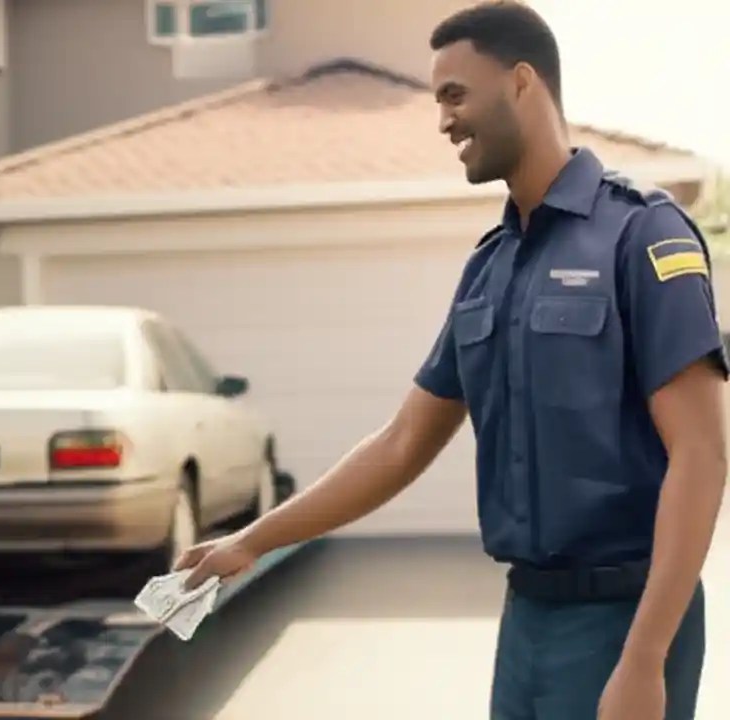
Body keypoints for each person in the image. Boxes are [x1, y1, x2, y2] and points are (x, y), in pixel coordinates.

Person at [176, 3, 727, 718]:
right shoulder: (490, 269)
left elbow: (703, 453)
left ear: (522, 82)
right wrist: (250, 542)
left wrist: (647, 656)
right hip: (526, 619)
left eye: (455, 94)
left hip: (626, 618)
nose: (443, 120)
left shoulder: (641, 234)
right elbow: (402, 444)